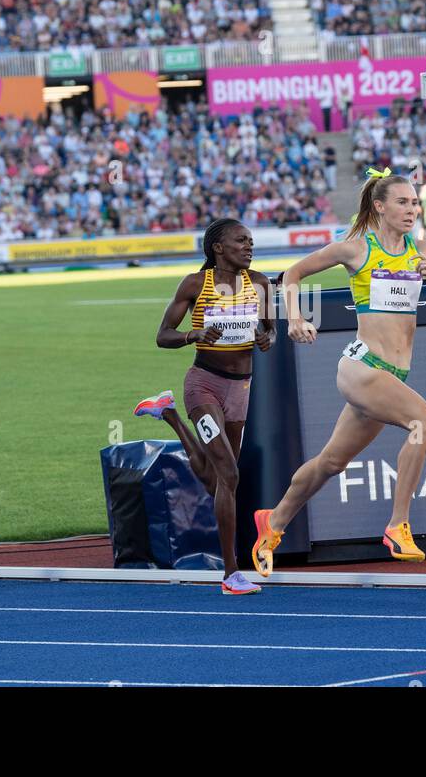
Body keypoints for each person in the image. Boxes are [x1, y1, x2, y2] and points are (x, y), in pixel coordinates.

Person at [249, 168, 426, 577]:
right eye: (402, 202)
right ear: (379, 206)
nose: (412, 209)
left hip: (392, 377)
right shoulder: (357, 248)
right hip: (360, 366)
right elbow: (292, 274)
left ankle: (271, 524)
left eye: (415, 202)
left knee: (331, 463)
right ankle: (398, 525)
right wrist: (293, 318)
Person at [133, 218, 274, 595]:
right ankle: (231, 574)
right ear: (217, 247)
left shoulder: (260, 283)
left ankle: (169, 415)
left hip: (240, 389)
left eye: (251, 241)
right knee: (229, 474)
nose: (249, 246)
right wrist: (193, 334)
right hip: (204, 386)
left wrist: (266, 339)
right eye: (240, 241)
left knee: (216, 481)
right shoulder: (196, 285)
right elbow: (162, 336)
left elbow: (269, 330)